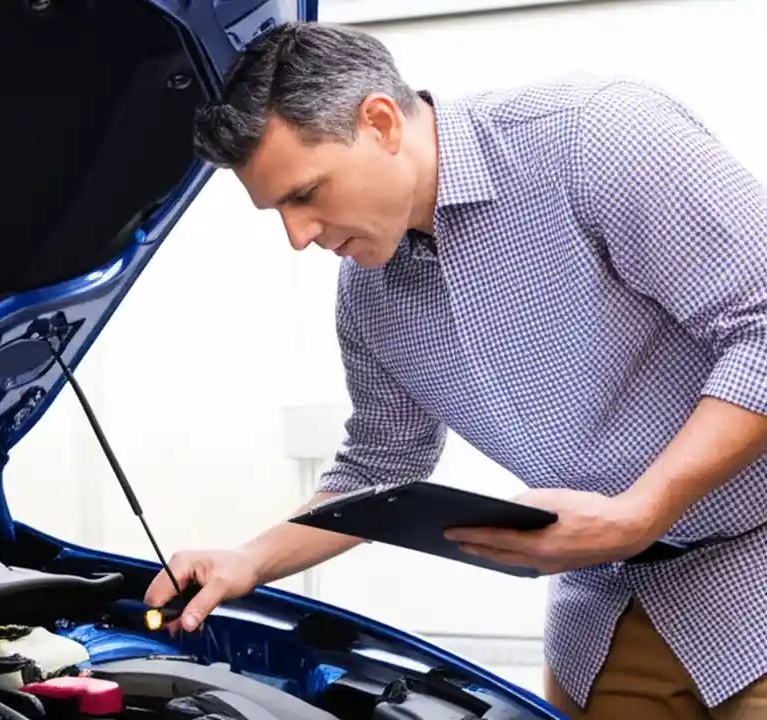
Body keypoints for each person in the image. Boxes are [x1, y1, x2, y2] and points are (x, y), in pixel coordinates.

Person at [142, 20, 767, 720]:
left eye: (306, 194)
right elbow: (378, 468)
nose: (297, 237)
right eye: (277, 212)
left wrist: (640, 511)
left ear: (379, 122)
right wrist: (250, 561)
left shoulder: (592, 139)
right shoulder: (368, 296)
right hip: (603, 616)